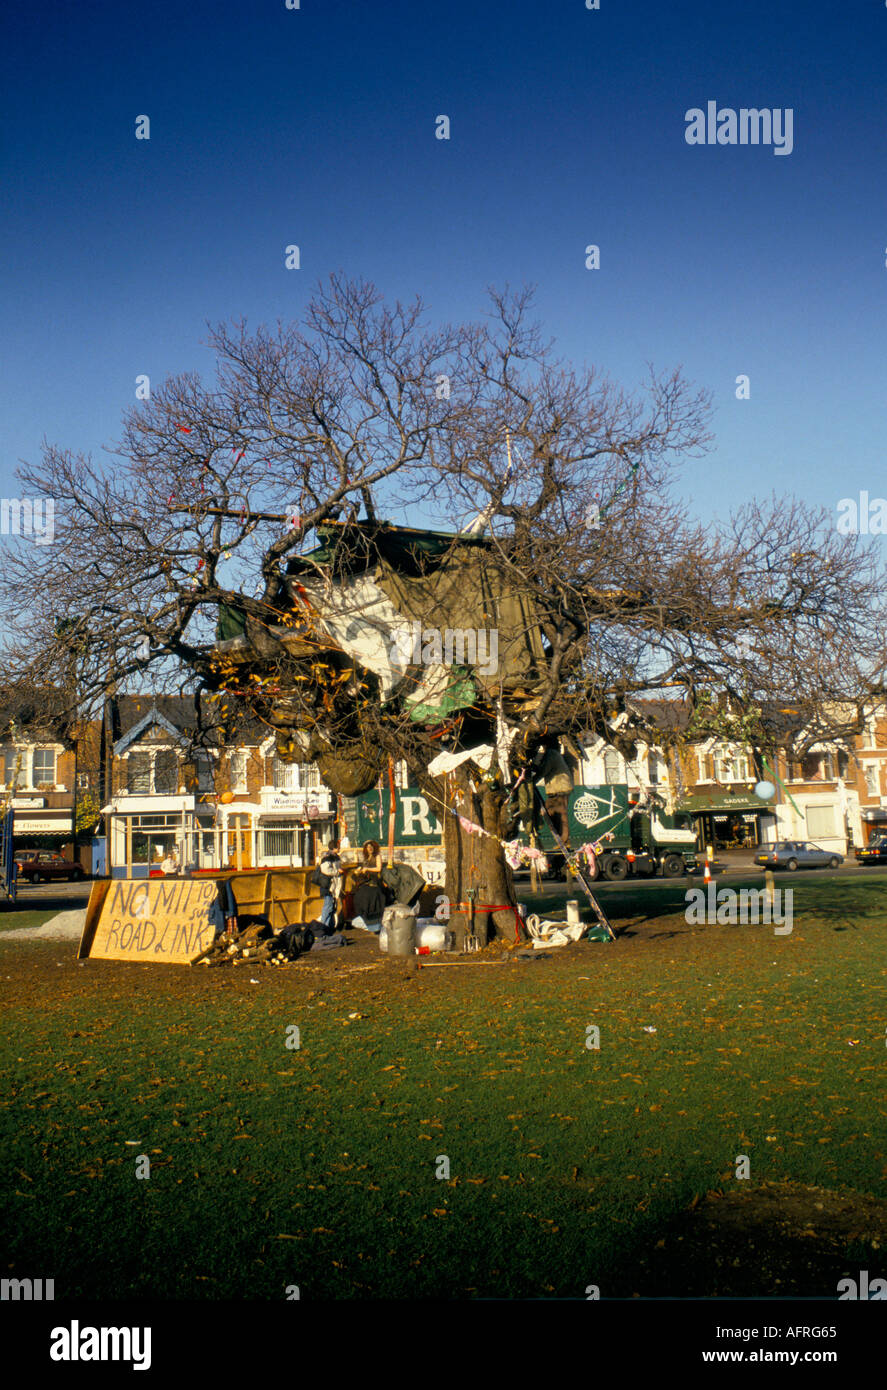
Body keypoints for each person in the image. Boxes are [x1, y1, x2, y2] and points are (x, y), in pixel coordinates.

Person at [314, 840, 343, 935]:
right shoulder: (328, 857)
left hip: (332, 886)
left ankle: (328, 927)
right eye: (338, 847)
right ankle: (323, 927)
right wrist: (337, 872)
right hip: (328, 886)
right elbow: (325, 869)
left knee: (331, 907)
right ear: (334, 847)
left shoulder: (333, 857)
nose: (339, 849)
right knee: (328, 906)